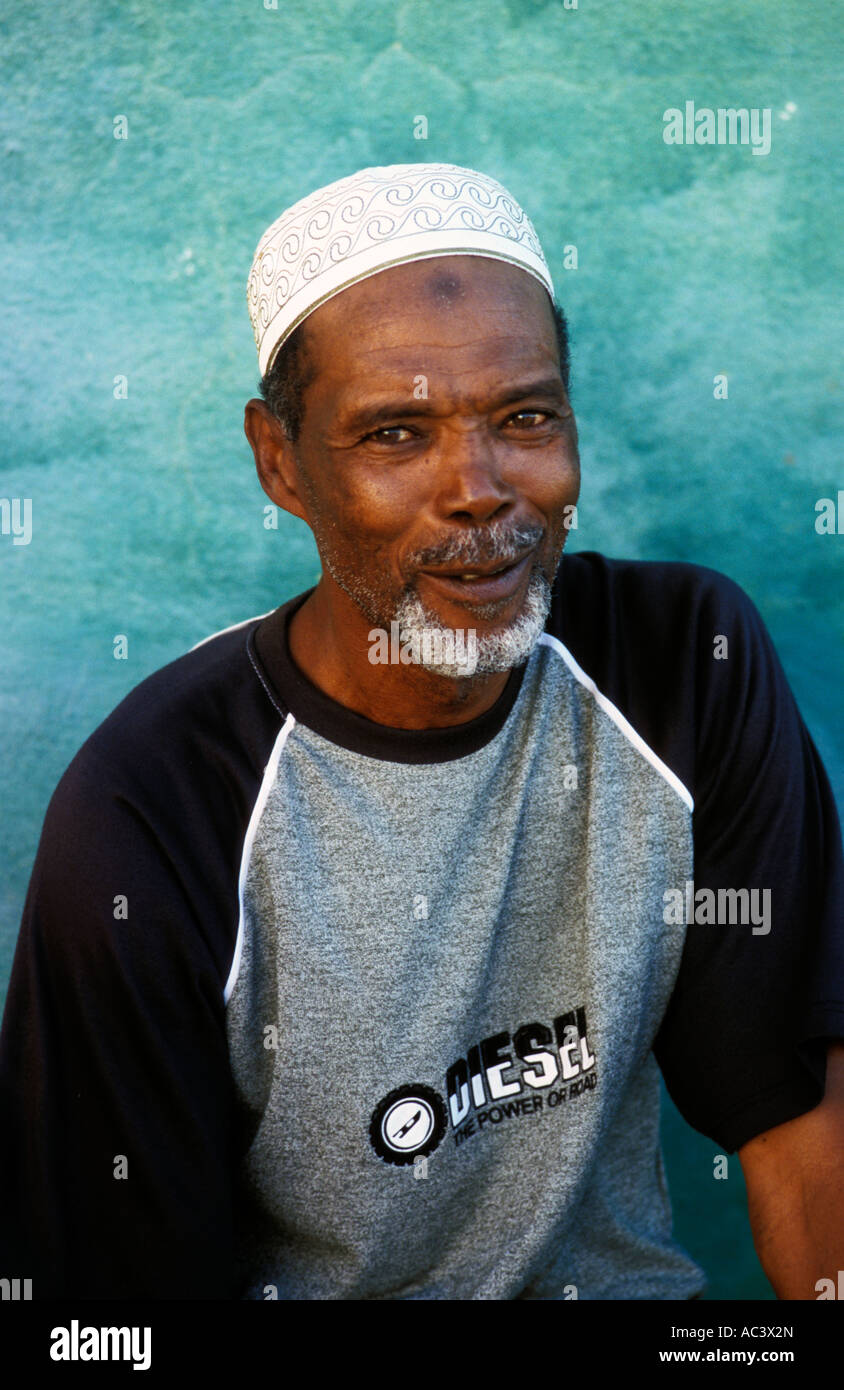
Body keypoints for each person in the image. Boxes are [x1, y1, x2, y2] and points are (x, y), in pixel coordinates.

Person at [1, 163, 842, 1301]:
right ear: (281, 461)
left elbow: (799, 1124)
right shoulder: (150, 814)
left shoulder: (685, 665)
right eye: (396, 434)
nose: (480, 490)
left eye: (525, 417)